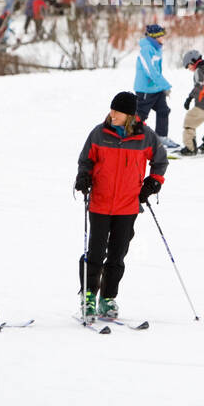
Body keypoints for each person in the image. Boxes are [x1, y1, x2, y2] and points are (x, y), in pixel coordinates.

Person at [74, 90, 168, 319]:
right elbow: (85, 159)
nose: (112, 114)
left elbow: (160, 161)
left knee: (117, 254)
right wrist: (83, 176)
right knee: (96, 252)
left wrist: (152, 184)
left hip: (128, 205)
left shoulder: (145, 136)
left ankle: (108, 298)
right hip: (100, 203)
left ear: (129, 115)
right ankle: (88, 296)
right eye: (112, 109)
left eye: (117, 111)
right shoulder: (99, 133)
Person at [134, 23, 177, 148]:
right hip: (146, 89)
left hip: (156, 89)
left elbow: (157, 71)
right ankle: (132, 138)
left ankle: (161, 138)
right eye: (161, 36)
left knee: (163, 111)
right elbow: (150, 71)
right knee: (140, 115)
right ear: (154, 37)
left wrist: (161, 86)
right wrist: (165, 85)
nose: (163, 38)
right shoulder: (146, 49)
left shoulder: (157, 48)